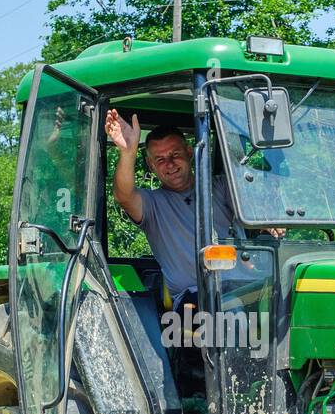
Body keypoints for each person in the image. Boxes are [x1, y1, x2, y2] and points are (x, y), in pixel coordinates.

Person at [104, 110, 243, 311]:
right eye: (159, 159)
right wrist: (128, 153)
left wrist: (270, 222)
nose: (169, 164)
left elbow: (254, 203)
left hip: (248, 288)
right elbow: (123, 195)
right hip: (196, 298)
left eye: (174, 154)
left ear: (189, 152)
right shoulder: (153, 204)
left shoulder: (220, 187)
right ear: (151, 165)